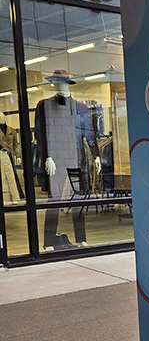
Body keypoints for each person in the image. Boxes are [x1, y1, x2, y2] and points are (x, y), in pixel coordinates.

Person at [34, 69, 100, 249]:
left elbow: (89, 133)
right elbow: (40, 133)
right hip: (55, 160)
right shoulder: (43, 105)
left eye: (63, 82)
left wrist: (96, 155)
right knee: (54, 199)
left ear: (68, 84)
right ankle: (48, 242)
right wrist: (47, 156)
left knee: (77, 200)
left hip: (76, 158)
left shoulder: (81, 108)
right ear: (53, 84)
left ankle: (80, 239)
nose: (59, 85)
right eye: (57, 82)